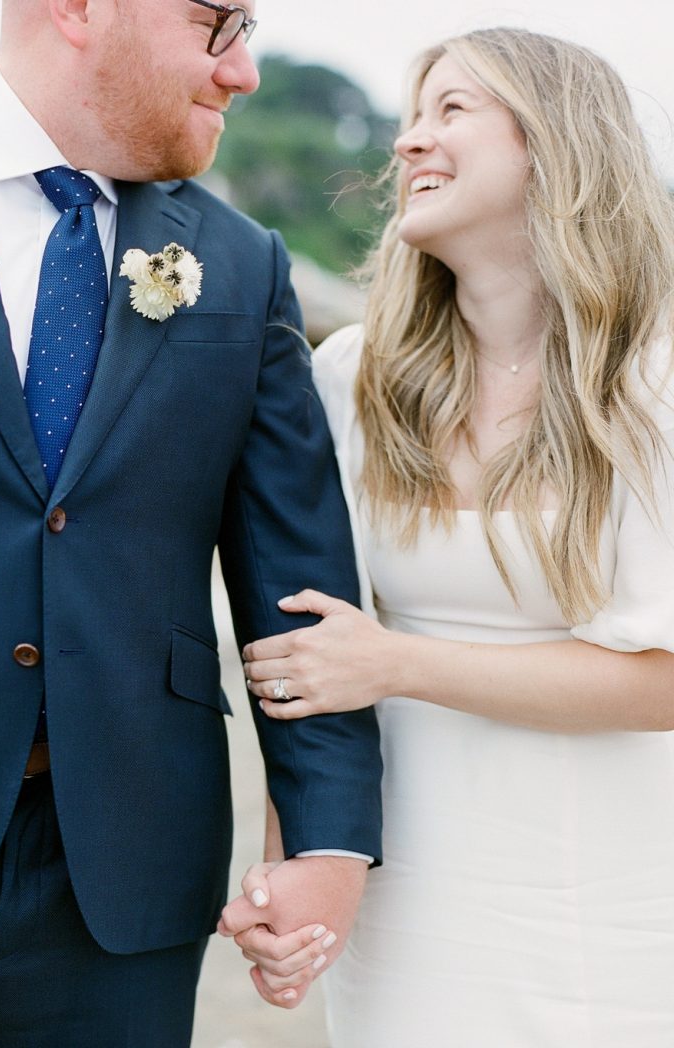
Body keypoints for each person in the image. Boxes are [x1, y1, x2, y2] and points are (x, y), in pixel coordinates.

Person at [0, 1, 383, 1045]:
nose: (245, 70)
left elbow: (295, 586)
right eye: (218, 22)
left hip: (122, 879)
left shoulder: (245, 265)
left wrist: (328, 840)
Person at [222, 27, 674, 1047]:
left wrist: (396, 661)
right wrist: (291, 864)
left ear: (554, 142)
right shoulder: (355, 381)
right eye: (410, 118)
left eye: (452, 110)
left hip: (617, 906)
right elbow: (311, 652)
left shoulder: (654, 383)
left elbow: (664, 680)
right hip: (413, 909)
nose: (410, 143)